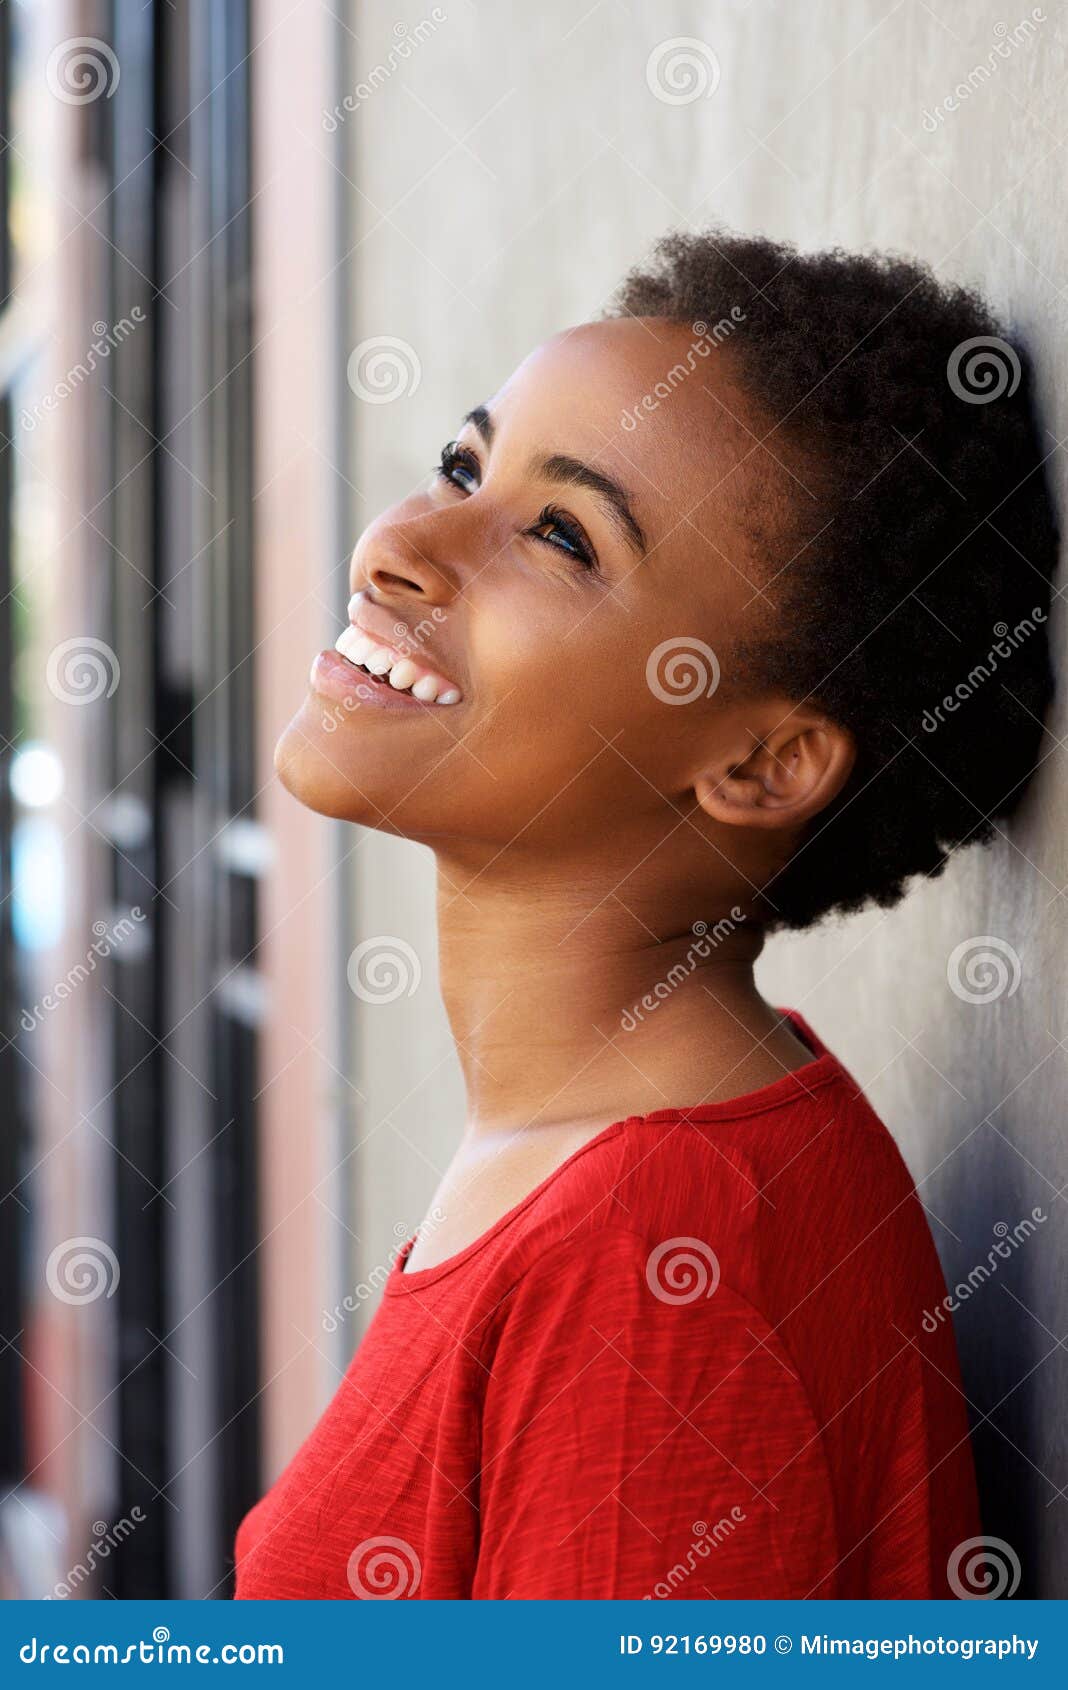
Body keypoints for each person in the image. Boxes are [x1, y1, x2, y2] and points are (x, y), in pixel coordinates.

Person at [234, 228, 1056, 1600]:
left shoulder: (658, 1264)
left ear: (763, 763)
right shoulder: (620, 1169)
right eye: (464, 466)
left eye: (562, 535)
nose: (399, 547)